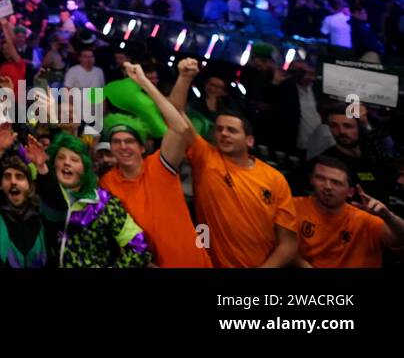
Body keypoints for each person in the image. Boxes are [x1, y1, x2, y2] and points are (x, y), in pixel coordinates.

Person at [170, 58, 298, 267]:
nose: (224, 134)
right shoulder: (206, 156)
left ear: (249, 140)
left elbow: (288, 244)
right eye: (219, 129)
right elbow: (175, 115)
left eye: (232, 130)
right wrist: (185, 77)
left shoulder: (274, 178)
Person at [99, 62, 211, 267]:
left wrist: (144, 82)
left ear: (142, 147)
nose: (123, 147)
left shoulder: (159, 165)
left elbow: (179, 126)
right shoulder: (108, 183)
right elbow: (114, 230)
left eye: (130, 141)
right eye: (117, 141)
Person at [33, 132, 151, 267]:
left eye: (74, 160)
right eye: (61, 158)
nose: (66, 162)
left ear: (85, 167)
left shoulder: (104, 203)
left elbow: (139, 248)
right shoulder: (43, 196)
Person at [291, 157, 404, 268]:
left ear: (350, 192)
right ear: (311, 180)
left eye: (336, 183)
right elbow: (282, 246)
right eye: (320, 178)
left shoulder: (364, 219)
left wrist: (389, 217)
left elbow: (399, 238)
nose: (327, 186)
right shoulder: (293, 207)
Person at [0, 122, 49, 268]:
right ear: (1, 186)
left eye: (19, 177)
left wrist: (42, 167)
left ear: (30, 186)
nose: (13, 182)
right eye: (7, 177)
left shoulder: (42, 218)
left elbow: (57, 206)